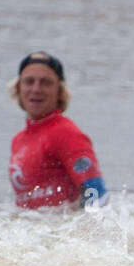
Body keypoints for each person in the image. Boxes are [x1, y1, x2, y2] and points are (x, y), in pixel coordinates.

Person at [7, 51, 108, 210]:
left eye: (46, 82)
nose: (36, 89)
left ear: (60, 92)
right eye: (29, 81)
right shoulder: (18, 140)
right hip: (33, 230)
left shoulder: (65, 133)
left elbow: (98, 193)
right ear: (18, 88)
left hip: (59, 232)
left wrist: (70, 228)